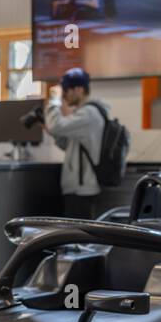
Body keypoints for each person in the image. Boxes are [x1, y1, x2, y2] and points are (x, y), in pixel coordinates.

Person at [44, 67, 109, 220]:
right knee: (77, 237)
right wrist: (54, 133)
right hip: (80, 187)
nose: (64, 96)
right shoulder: (85, 113)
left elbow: (56, 125)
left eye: (66, 90)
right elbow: (69, 146)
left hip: (82, 189)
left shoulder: (89, 114)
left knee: (78, 239)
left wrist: (53, 100)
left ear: (79, 89)